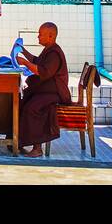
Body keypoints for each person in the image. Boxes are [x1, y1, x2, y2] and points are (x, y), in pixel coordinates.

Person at [17, 21, 71, 154]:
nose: (38, 37)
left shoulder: (54, 53)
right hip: (45, 91)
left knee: (32, 108)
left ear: (51, 36)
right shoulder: (48, 50)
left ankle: (37, 148)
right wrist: (23, 51)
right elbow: (37, 61)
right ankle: (17, 140)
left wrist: (24, 62)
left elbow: (43, 71)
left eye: (40, 35)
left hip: (55, 93)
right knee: (22, 103)